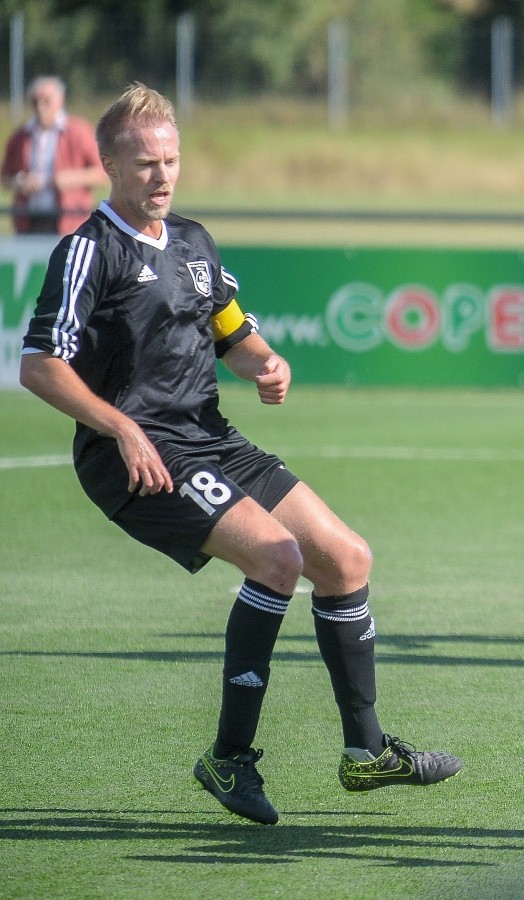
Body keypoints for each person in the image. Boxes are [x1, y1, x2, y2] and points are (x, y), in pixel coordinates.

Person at [17, 83, 460, 826]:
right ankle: (230, 757)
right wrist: (120, 428)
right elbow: (40, 365)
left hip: (212, 439)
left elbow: (230, 327)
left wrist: (265, 362)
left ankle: (367, 752)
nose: (162, 176)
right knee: (278, 557)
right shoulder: (86, 252)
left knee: (347, 559)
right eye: (146, 163)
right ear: (109, 166)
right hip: (138, 456)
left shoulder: (193, 241)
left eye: (172, 160)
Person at [3, 75, 106, 235]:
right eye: (35, 102)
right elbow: (5, 177)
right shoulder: (21, 136)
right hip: (29, 221)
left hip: (69, 220)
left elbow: (102, 172)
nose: (40, 107)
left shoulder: (77, 131)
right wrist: (21, 181)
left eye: (46, 101)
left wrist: (69, 179)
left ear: (60, 101)